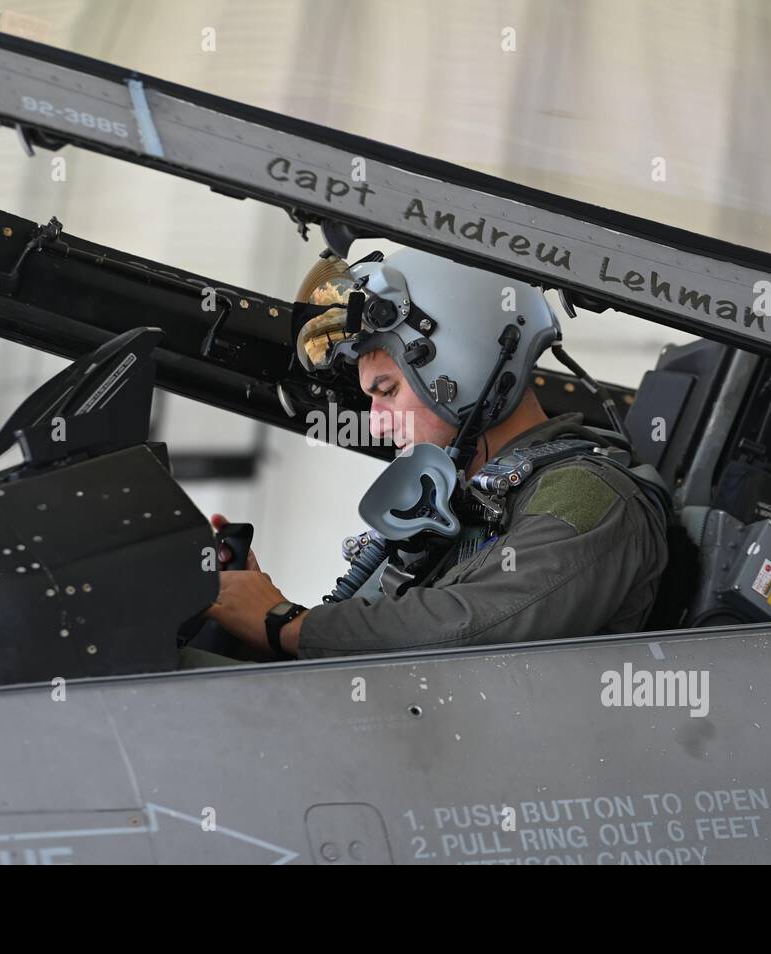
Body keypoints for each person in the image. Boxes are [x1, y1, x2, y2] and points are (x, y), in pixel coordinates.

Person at [198, 247, 669, 662]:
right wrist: (248, 611)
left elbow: (470, 628)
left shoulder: (589, 494)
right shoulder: (470, 499)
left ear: (462, 361)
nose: (378, 422)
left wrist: (285, 623)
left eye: (388, 391)